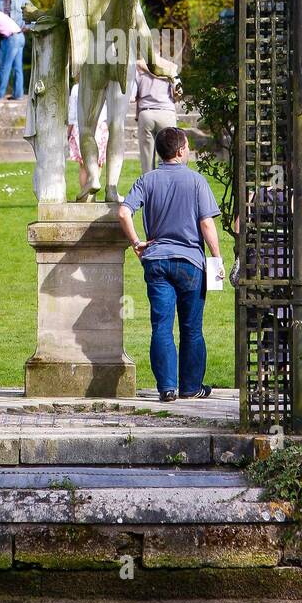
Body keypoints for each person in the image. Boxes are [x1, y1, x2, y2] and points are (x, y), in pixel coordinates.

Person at [118, 125, 224, 402]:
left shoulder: (146, 180)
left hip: (157, 261)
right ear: (179, 150)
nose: (189, 151)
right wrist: (216, 258)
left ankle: (167, 388)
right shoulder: (196, 181)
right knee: (191, 328)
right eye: (187, 146)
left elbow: (123, 212)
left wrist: (136, 242)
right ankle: (191, 387)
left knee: (161, 326)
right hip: (190, 262)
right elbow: (206, 223)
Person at [134, 57, 180, 174]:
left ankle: (149, 188)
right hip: (166, 113)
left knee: (147, 161)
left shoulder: (138, 69)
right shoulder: (170, 68)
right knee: (167, 158)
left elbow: (133, 95)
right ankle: (166, 188)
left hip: (146, 113)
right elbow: (178, 92)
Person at [0, 0, 30, 99]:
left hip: (16, 36)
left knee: (5, 66)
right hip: (3, 37)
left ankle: (0, 95)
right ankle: (18, 95)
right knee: (16, 66)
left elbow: (34, 12)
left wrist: (27, 27)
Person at [67, 82, 108, 192]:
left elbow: (72, 113)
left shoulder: (77, 87)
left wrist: (69, 132)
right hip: (99, 126)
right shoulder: (104, 85)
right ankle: (90, 193)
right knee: (97, 163)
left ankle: (86, 192)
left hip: (81, 126)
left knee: (84, 165)